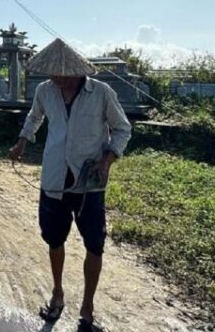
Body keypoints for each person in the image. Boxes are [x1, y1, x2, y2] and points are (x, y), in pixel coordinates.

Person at [8, 38, 131, 332]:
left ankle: (87, 308)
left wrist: (107, 160)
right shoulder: (44, 91)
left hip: (90, 184)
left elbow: (122, 128)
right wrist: (23, 140)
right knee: (54, 239)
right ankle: (57, 292)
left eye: (61, 74)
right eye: (51, 74)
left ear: (76, 71)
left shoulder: (101, 93)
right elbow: (34, 116)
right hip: (53, 179)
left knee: (94, 245)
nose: (56, 79)